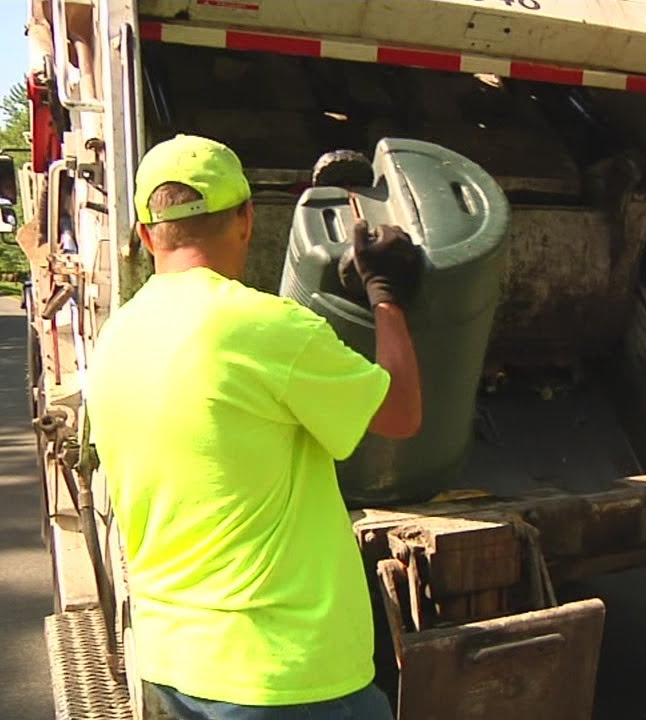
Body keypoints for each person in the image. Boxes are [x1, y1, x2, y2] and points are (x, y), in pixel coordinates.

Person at [89, 134, 423, 719]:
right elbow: (401, 414)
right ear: (246, 218)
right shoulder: (265, 328)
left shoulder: (115, 339)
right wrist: (386, 295)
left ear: (145, 235)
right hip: (282, 676)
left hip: (175, 660)